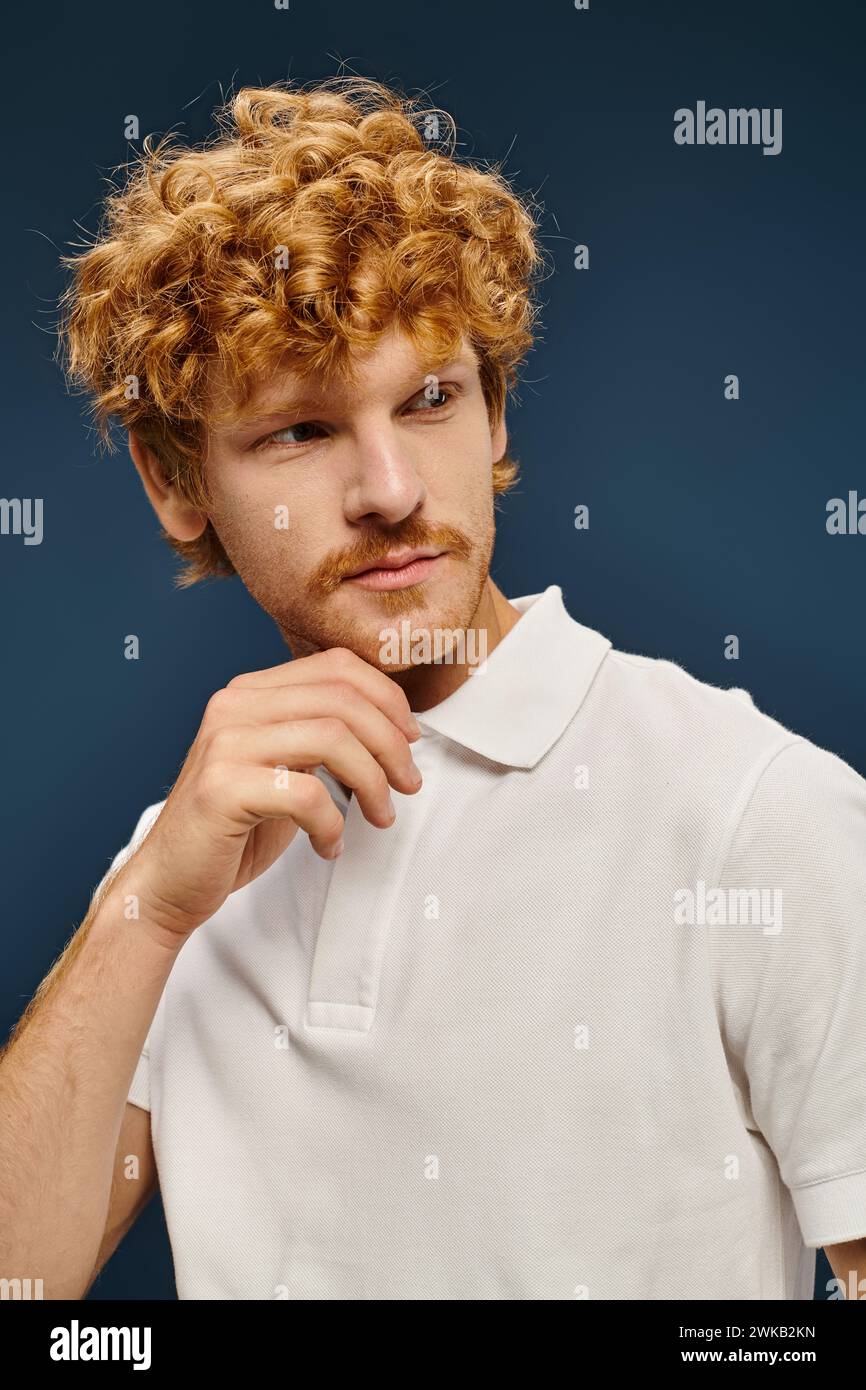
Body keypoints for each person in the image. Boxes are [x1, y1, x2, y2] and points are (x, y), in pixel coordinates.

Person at [1, 75, 865, 1302]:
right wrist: (144, 905)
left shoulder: (753, 815)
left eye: (430, 399)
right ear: (174, 478)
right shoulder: (183, 865)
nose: (392, 488)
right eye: (299, 430)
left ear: (495, 411)